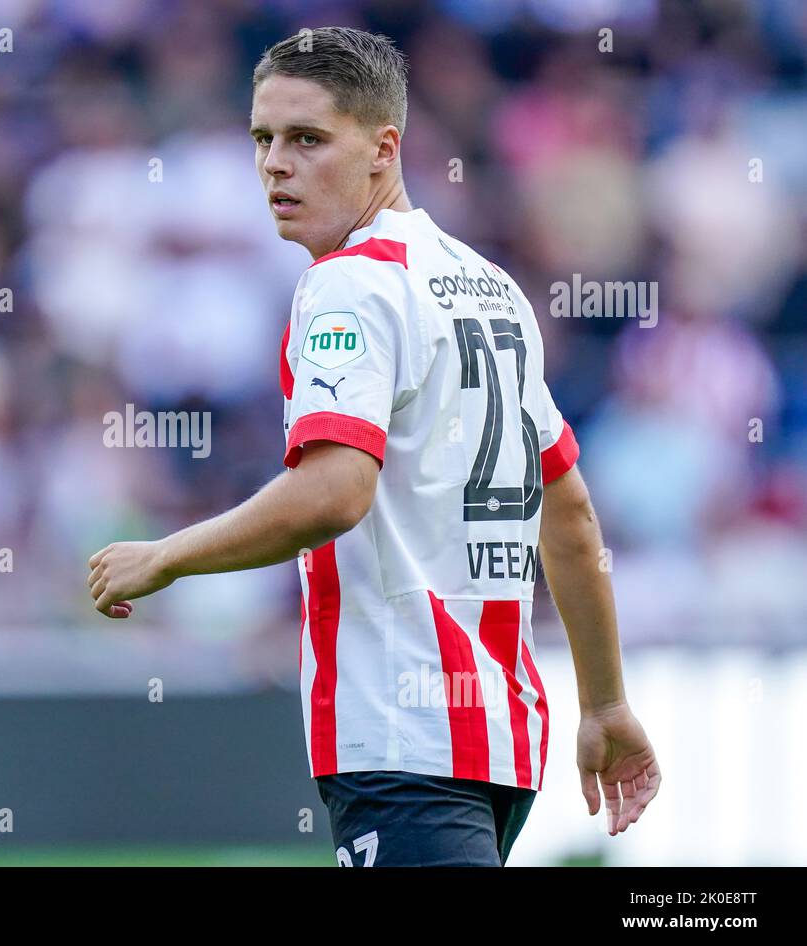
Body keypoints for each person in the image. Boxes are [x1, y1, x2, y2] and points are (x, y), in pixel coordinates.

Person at [86, 26, 660, 866]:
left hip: (402, 736)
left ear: (384, 148)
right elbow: (566, 511)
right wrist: (604, 703)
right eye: (263, 139)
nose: (275, 164)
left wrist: (166, 558)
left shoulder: (348, 285)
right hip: (499, 739)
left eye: (308, 139)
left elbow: (335, 492)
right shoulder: (490, 287)